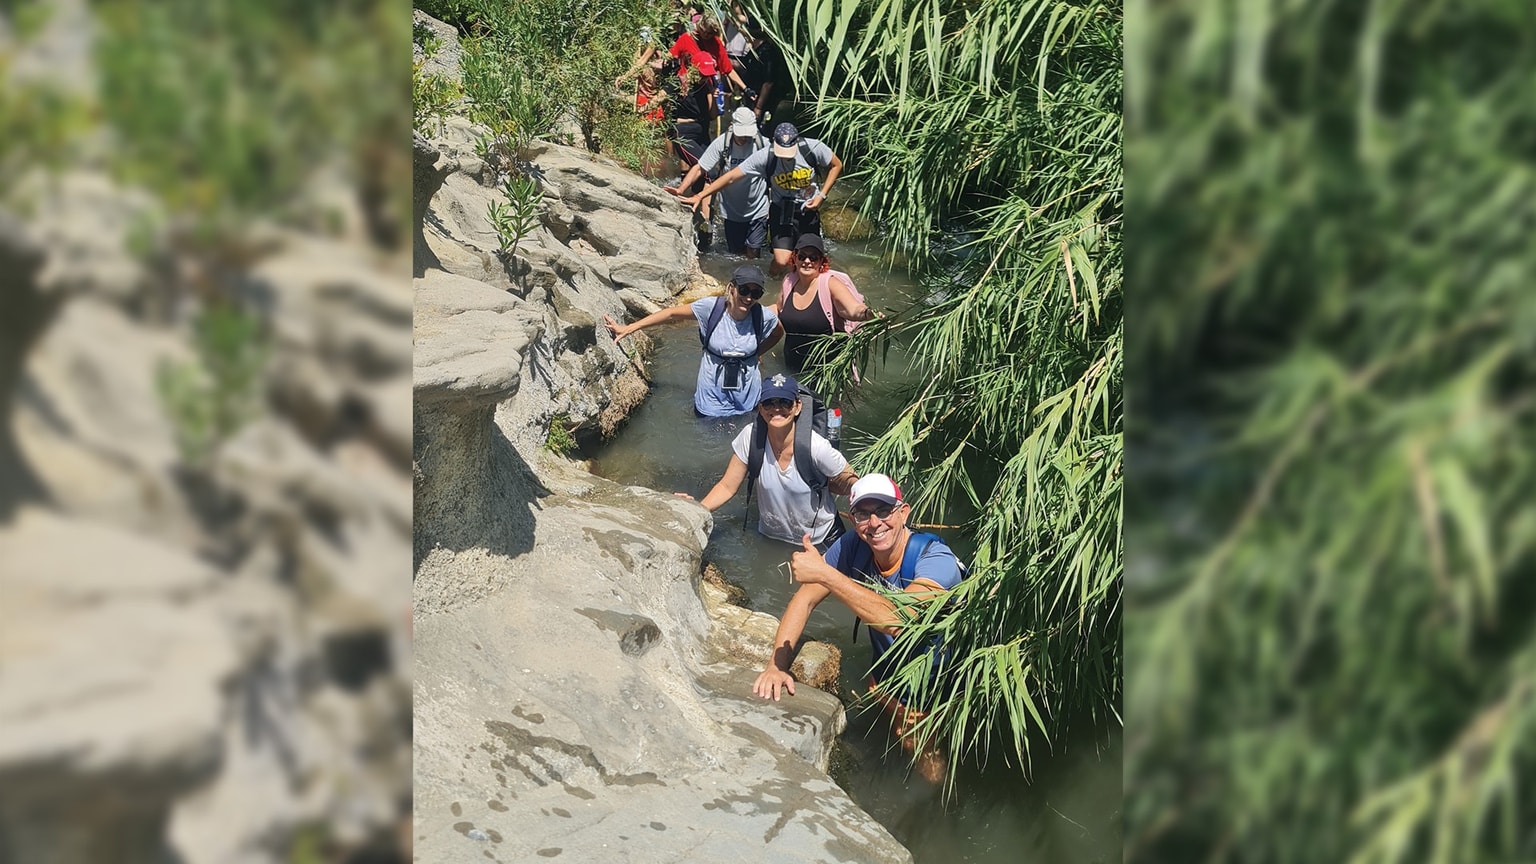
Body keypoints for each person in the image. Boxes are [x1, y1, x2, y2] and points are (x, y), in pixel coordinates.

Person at [752, 473, 963, 782]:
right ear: (852, 519)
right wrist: (776, 665)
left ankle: (943, 807)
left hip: (934, 686)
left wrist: (826, 575)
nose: (874, 523)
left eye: (884, 510)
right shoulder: (854, 545)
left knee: (924, 760)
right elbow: (805, 600)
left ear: (903, 513)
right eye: (863, 514)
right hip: (889, 678)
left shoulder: (935, 560)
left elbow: (897, 621)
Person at [677, 373, 856, 546]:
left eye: (785, 402)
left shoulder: (816, 446)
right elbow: (727, 486)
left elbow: (854, 484)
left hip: (821, 539)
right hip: (771, 538)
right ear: (760, 408)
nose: (776, 408)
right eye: (769, 402)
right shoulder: (751, 437)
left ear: (797, 407)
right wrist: (696, 511)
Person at [603, 264, 782, 417]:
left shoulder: (763, 316)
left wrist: (756, 352)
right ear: (732, 288)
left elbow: (777, 333)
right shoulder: (711, 308)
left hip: (747, 396)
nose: (749, 297)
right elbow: (671, 314)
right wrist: (630, 328)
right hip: (712, 394)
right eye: (744, 290)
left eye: (756, 292)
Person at [678, 122, 843, 276]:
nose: (785, 157)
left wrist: (822, 195)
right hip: (782, 211)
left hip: (808, 211)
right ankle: (775, 285)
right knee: (782, 261)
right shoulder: (765, 156)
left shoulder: (813, 148)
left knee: (813, 260)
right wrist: (700, 195)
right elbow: (730, 177)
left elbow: (836, 165)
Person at [666, 107, 771, 259]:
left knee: (753, 255)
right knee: (736, 256)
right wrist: (681, 190)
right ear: (733, 127)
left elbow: (775, 172)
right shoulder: (723, 144)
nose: (745, 138)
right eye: (742, 134)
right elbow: (699, 167)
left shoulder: (762, 144)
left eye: (748, 134)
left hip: (758, 207)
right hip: (731, 211)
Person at [770, 233, 870, 377]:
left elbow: (852, 309)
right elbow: (778, 309)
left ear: (821, 261)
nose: (807, 261)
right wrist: (753, 314)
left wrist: (867, 314)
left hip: (826, 372)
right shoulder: (789, 281)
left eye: (813, 257)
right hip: (792, 368)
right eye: (802, 256)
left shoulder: (830, 284)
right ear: (795, 259)